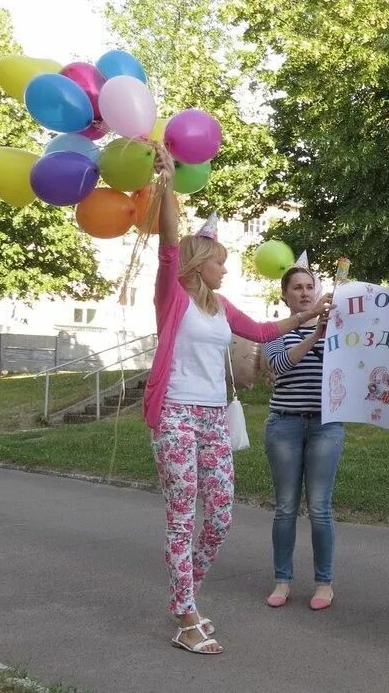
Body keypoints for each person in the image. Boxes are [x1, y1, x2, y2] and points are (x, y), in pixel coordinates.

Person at [142, 144, 331, 655]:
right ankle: (185, 615)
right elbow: (166, 246)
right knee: (182, 516)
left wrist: (312, 318)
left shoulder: (222, 307)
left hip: (212, 418)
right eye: (220, 263)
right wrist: (168, 183)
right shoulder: (172, 296)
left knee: (221, 515)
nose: (226, 271)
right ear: (200, 262)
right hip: (176, 414)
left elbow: (267, 331)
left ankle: (187, 596)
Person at [262, 259, 345, 612]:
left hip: (326, 426)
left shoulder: (340, 330)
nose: (305, 292)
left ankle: (324, 583)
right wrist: (315, 335)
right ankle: (283, 580)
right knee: (284, 508)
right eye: (297, 288)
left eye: (310, 287)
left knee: (320, 507)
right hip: (285, 425)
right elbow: (278, 366)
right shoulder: (273, 330)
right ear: (284, 296)